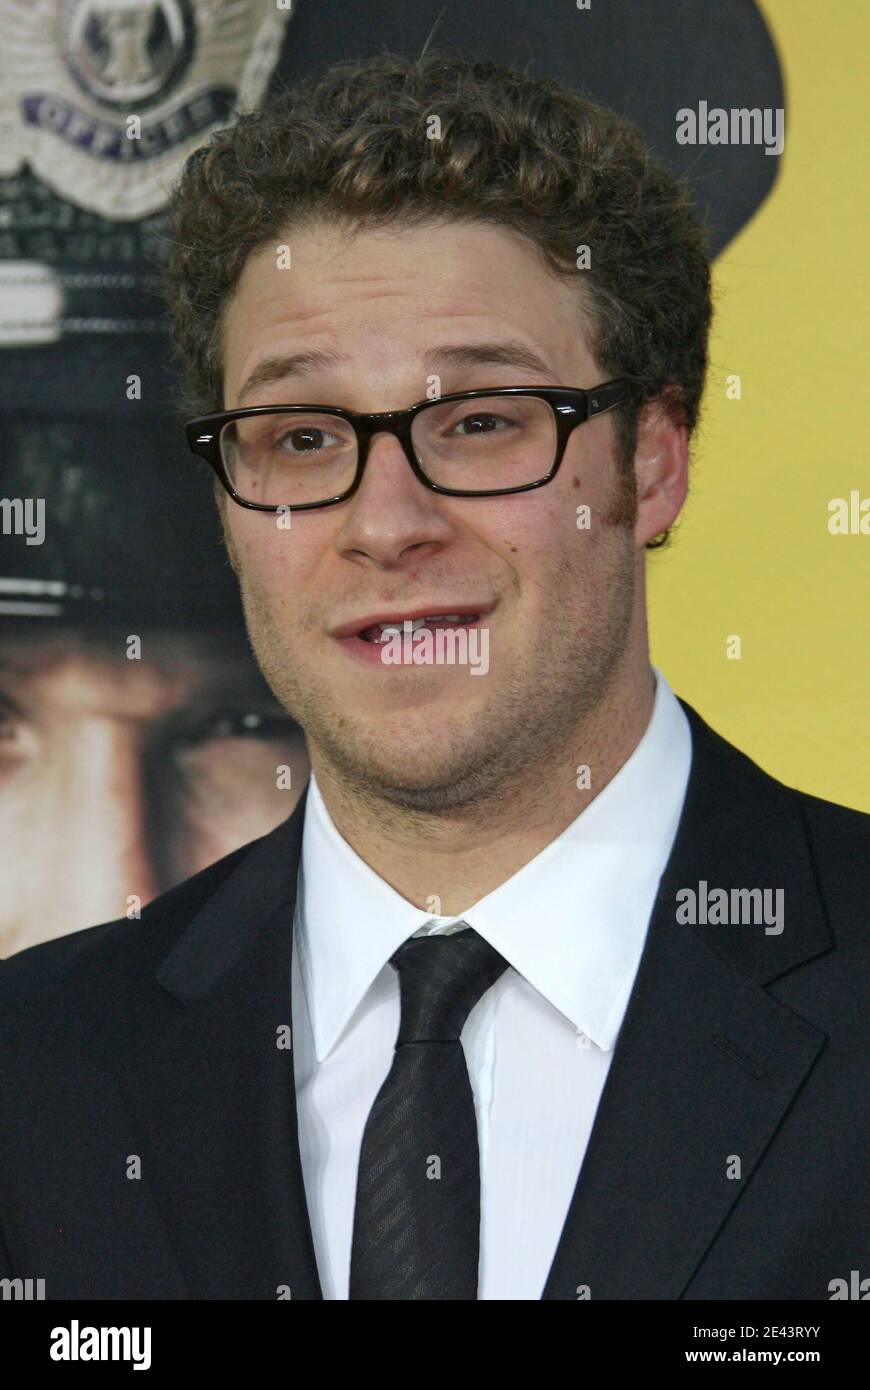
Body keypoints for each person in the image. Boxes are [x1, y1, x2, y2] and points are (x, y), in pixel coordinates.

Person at [0, 52, 866, 1301]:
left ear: (653, 463)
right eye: (302, 438)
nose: (386, 519)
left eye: (479, 421)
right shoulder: (35, 1072)